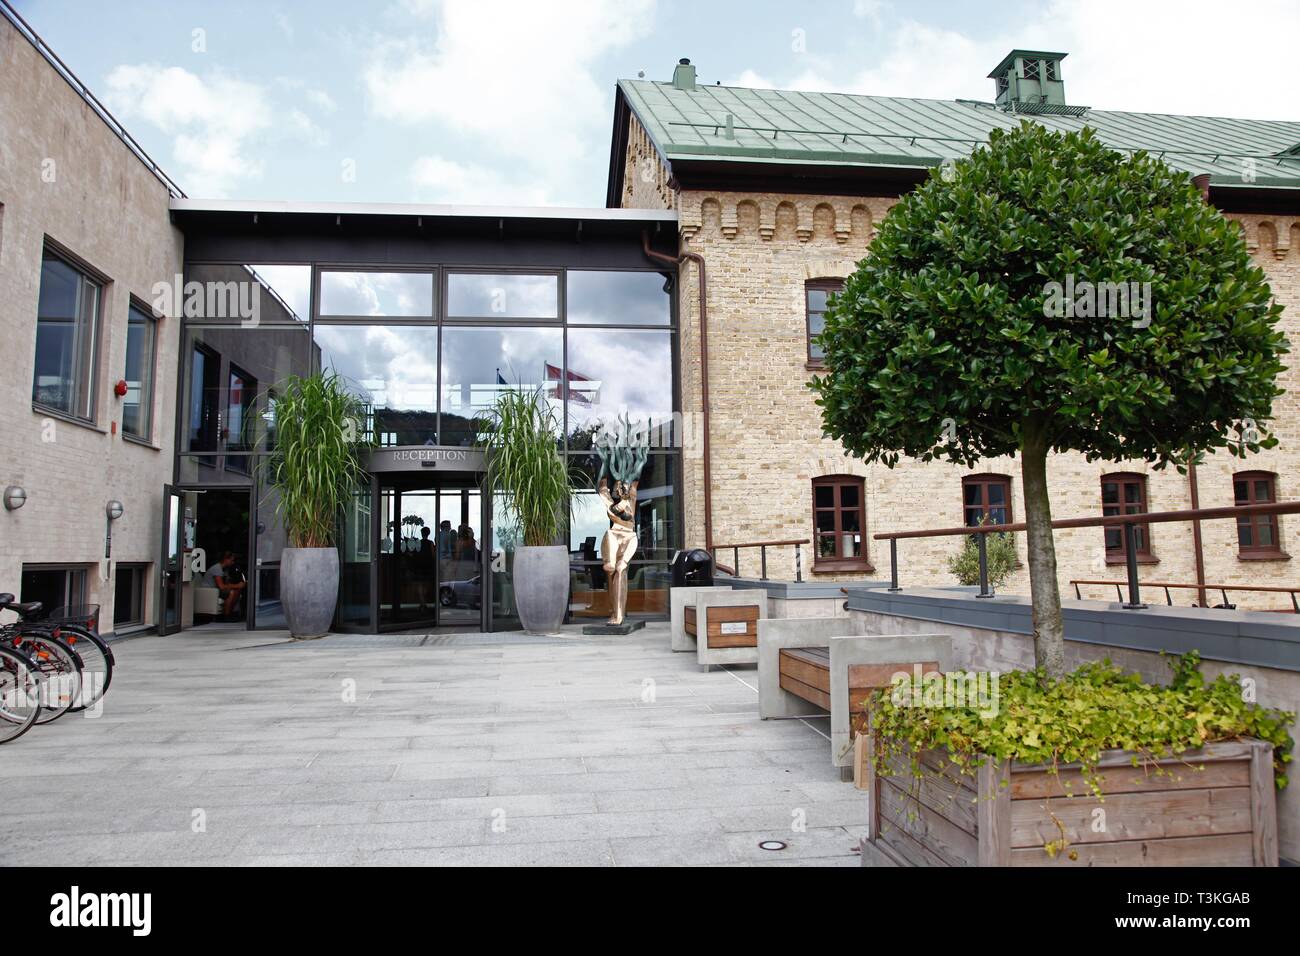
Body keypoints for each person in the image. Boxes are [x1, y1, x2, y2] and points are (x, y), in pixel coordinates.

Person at [211, 551, 246, 620]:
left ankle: (230, 612)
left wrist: (238, 586)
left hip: (217, 590)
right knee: (231, 592)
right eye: (232, 560)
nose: (233, 562)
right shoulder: (217, 568)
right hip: (211, 591)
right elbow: (221, 586)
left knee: (237, 591)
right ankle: (226, 616)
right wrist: (237, 585)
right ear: (226, 559)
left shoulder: (225, 569)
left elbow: (227, 583)